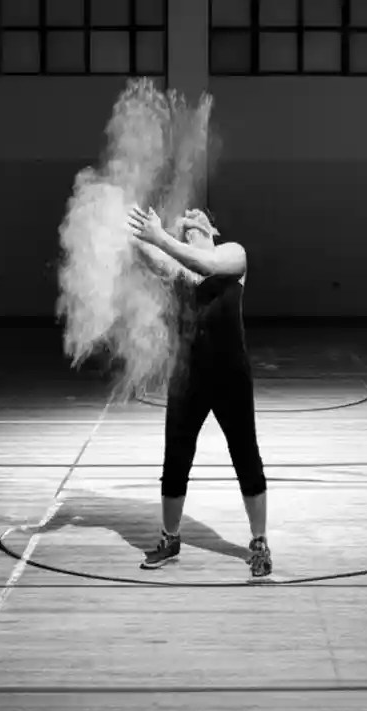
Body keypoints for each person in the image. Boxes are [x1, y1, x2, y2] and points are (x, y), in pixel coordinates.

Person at [126, 205, 271, 582]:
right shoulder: (177, 264)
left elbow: (204, 265)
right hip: (187, 375)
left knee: (245, 454)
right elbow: (155, 255)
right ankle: (169, 539)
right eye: (185, 218)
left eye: (198, 215)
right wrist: (126, 227)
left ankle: (259, 543)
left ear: (213, 230)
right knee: (175, 459)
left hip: (231, 375)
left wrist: (161, 237)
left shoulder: (233, 254)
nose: (189, 214)